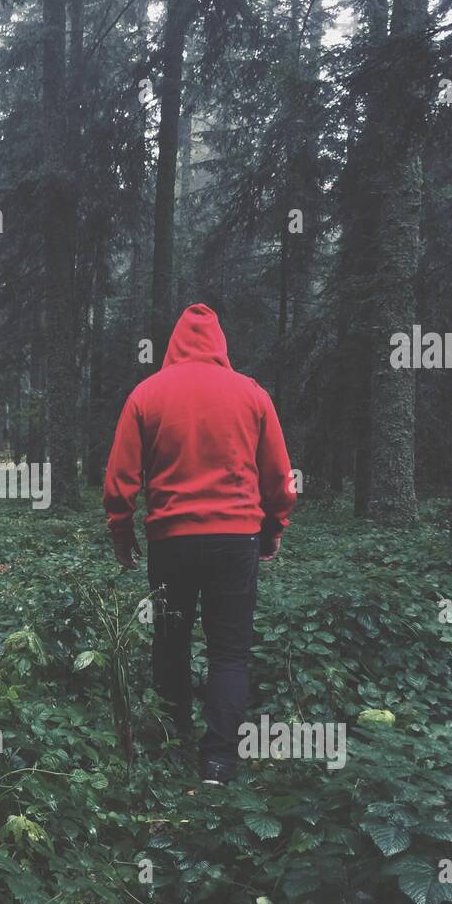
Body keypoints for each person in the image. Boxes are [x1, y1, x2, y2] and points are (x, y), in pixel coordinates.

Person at [103, 304, 295, 786]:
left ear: (174, 344)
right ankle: (217, 764)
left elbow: (120, 479)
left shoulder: (147, 394)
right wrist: (273, 528)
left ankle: (171, 744)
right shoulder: (251, 394)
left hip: (172, 540)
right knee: (229, 652)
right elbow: (278, 477)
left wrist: (122, 535)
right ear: (220, 344)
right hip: (236, 539)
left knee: (171, 642)